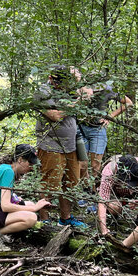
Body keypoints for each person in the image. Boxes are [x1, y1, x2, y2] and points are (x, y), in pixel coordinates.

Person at [34, 65, 87, 228]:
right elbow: (55, 115)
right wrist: (75, 105)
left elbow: (87, 94)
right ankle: (44, 220)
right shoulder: (42, 92)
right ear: (51, 78)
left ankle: (66, 218)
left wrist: (78, 77)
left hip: (71, 145)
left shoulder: (68, 89)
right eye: (58, 83)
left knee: (70, 183)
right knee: (50, 183)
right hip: (51, 145)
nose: (60, 86)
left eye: (63, 83)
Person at [0, 144, 51, 252]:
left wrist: (31, 205)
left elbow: (7, 198)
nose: (32, 167)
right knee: (31, 218)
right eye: (30, 163)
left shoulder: (7, 168)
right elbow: (6, 206)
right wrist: (35, 208)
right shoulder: (8, 172)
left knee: (29, 204)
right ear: (20, 160)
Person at [77, 80, 133, 184]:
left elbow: (128, 103)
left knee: (95, 165)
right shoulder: (80, 88)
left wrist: (110, 116)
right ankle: (86, 188)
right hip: (81, 128)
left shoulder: (107, 89)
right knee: (82, 165)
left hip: (98, 129)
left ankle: (93, 187)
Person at [96, 154, 138, 239]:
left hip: (135, 193)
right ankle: (112, 219)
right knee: (114, 207)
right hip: (115, 195)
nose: (124, 182)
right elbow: (102, 201)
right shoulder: (109, 171)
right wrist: (104, 230)